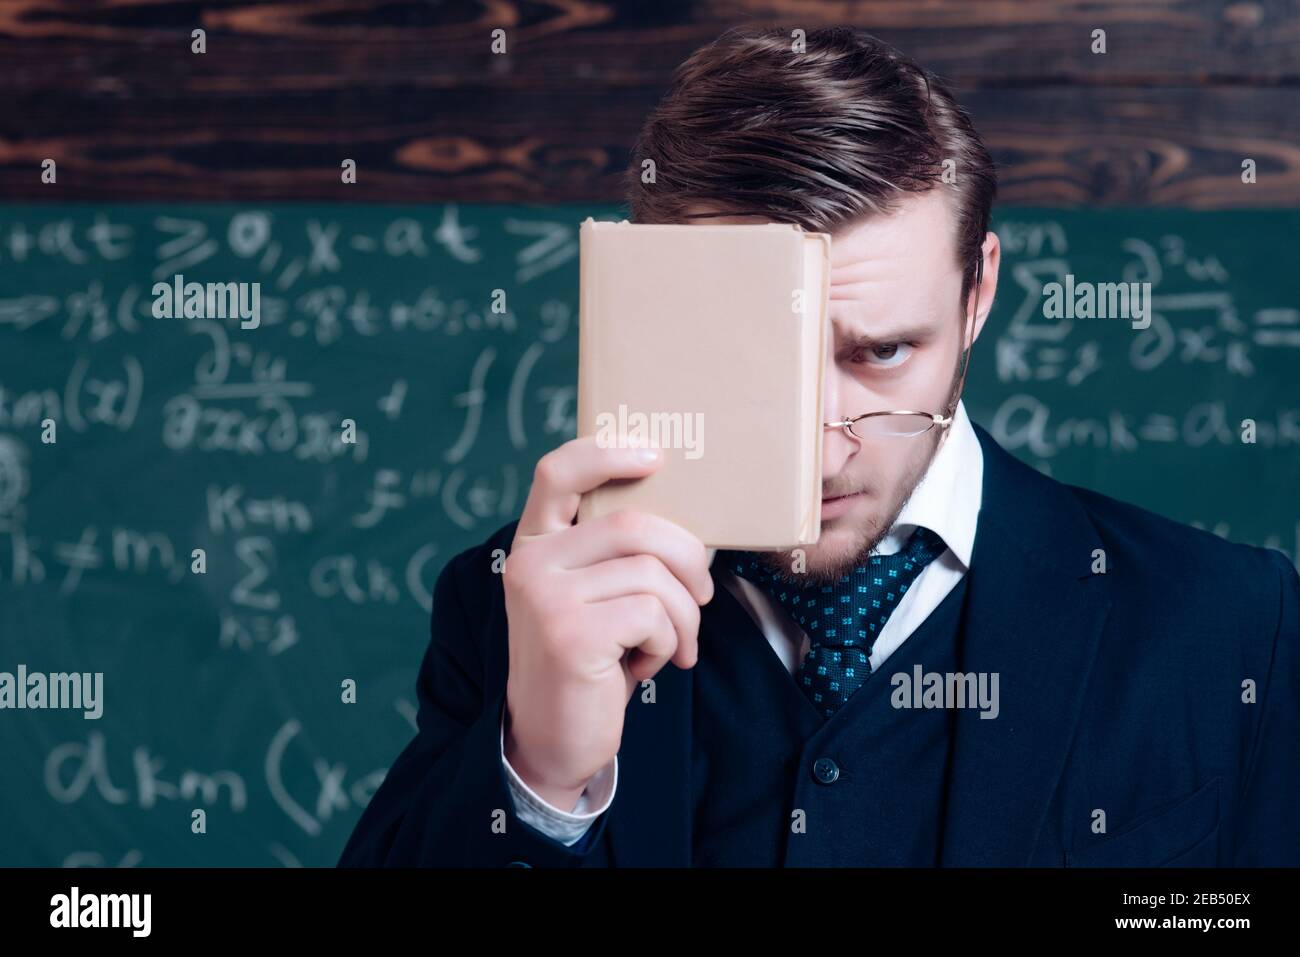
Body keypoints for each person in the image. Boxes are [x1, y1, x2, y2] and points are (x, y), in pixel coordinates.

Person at [338, 26, 1299, 868]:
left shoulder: (1227, 623)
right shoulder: (510, 608)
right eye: (751, 358)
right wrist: (536, 778)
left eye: (882, 351)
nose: (823, 446)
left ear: (978, 296)